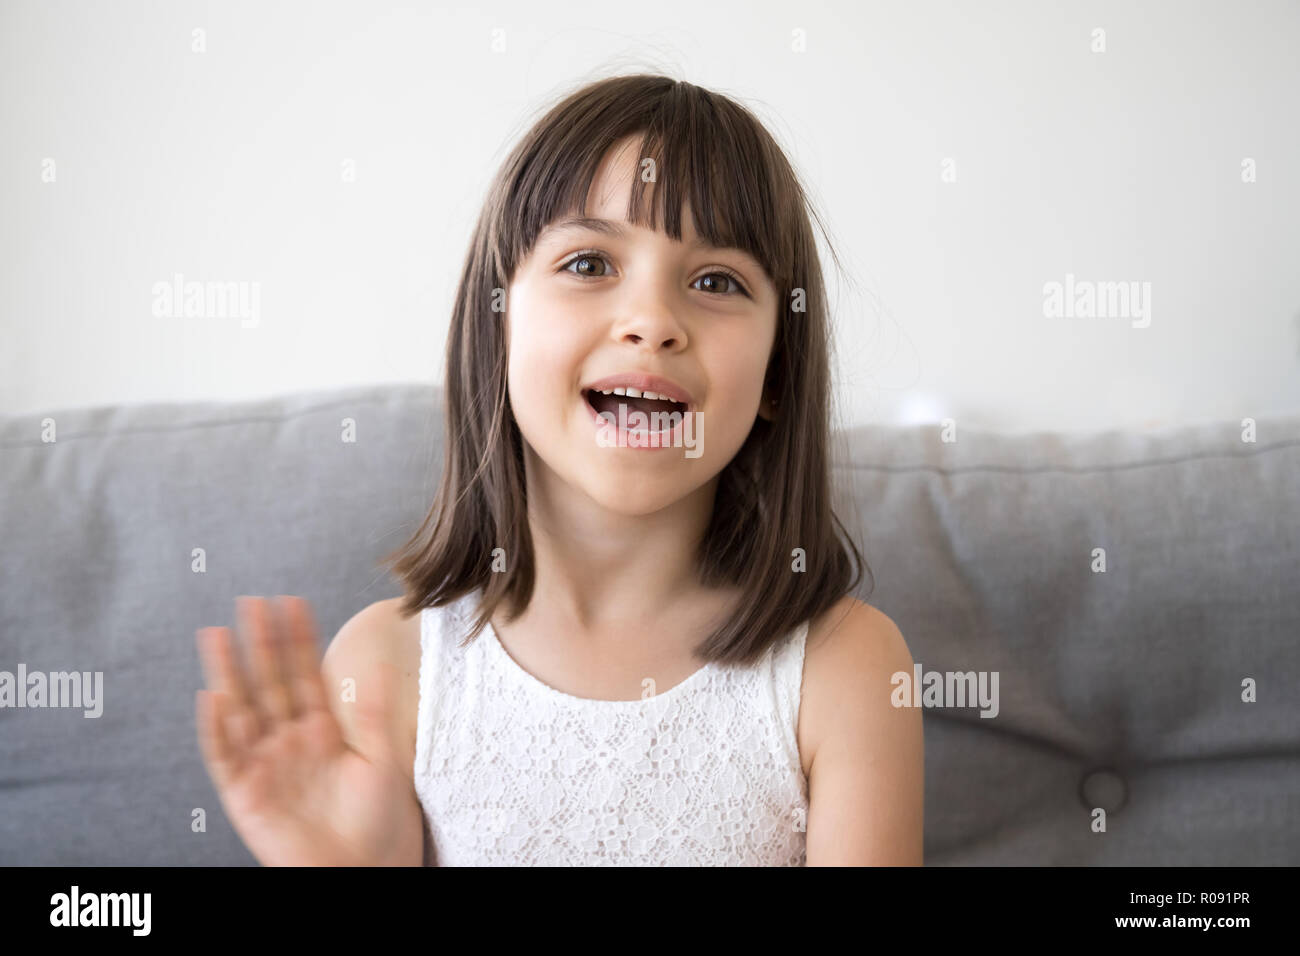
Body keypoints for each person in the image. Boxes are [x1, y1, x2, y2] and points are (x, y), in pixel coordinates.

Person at [196, 73, 923, 866]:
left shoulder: (844, 667)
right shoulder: (387, 669)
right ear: (498, 323)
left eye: (716, 282)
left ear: (778, 374)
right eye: (589, 263)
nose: (651, 323)